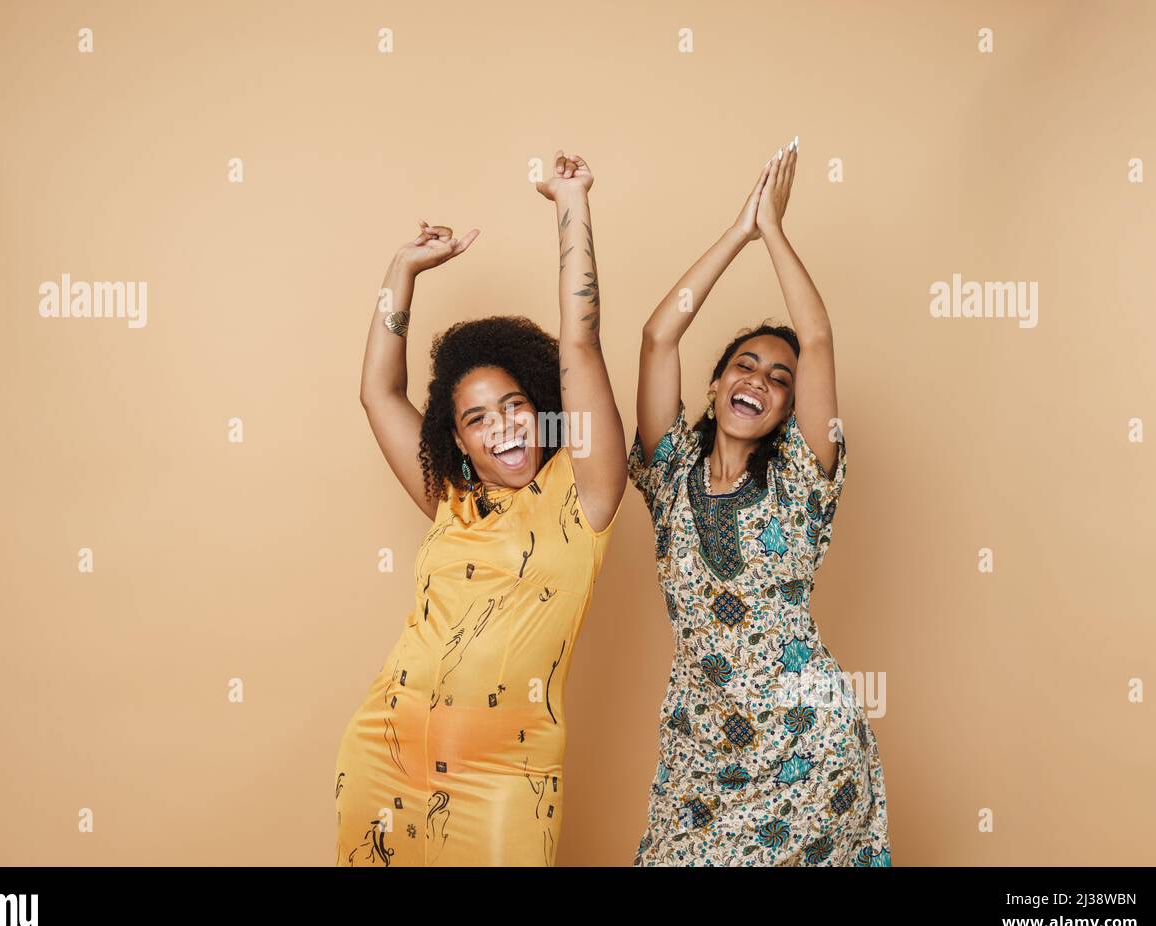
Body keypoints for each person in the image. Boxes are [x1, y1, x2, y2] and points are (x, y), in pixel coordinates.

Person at [336, 151, 626, 866]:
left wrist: (571, 201)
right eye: (477, 419)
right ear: (456, 439)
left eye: (514, 407)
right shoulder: (450, 497)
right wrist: (401, 271)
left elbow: (581, 342)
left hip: (507, 774)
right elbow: (378, 391)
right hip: (385, 747)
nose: (502, 429)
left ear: (542, 408)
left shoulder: (585, 491)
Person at [628, 138, 892, 866]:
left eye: (780, 378)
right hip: (702, 755)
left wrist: (775, 230)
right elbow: (657, 335)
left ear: (788, 408)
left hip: (806, 751)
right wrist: (739, 230)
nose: (761, 379)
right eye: (745, 364)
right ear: (715, 386)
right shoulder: (668, 468)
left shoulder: (804, 480)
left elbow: (817, 335)